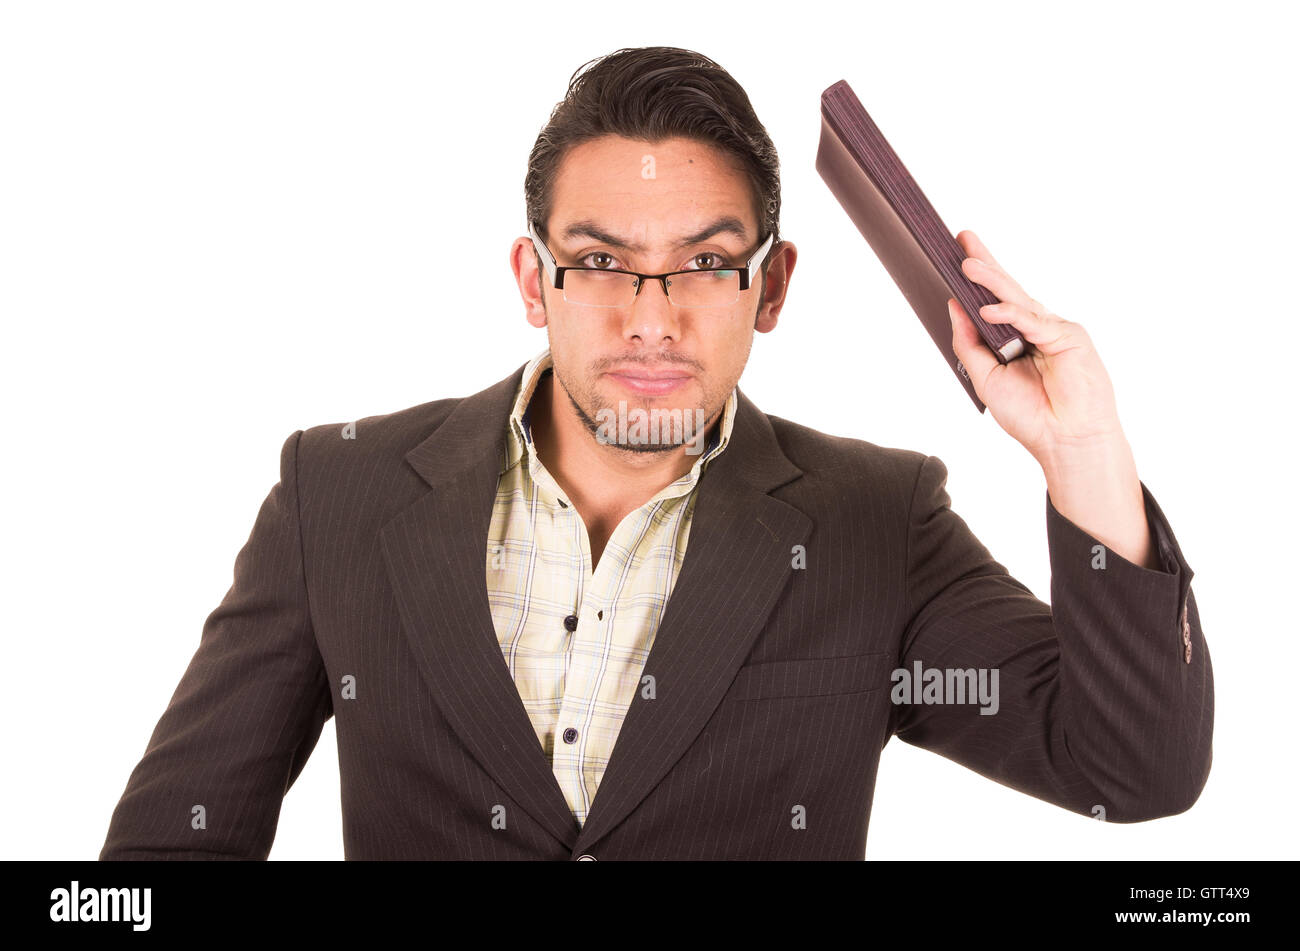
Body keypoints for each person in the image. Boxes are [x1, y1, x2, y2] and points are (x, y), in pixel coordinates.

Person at [100, 46, 1212, 861]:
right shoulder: (335, 494)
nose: (651, 315)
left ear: (769, 288)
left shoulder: (878, 519)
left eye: (704, 262)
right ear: (534, 282)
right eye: (598, 260)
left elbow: (1131, 772)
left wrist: (1083, 452)